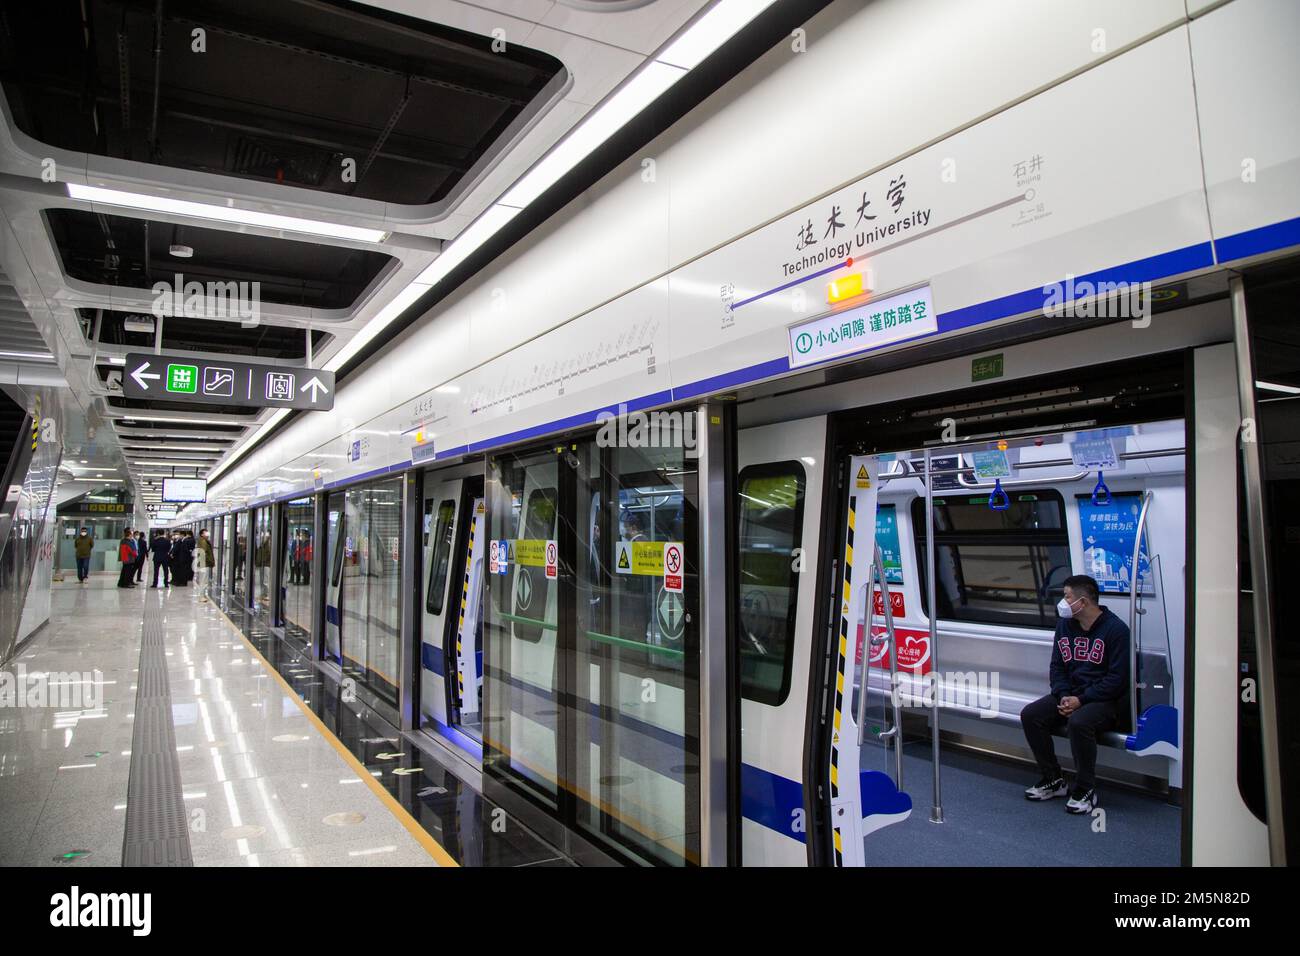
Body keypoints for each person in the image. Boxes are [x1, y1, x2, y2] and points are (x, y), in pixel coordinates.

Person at [1020, 574, 1130, 815]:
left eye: (1067, 596)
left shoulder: (1116, 630)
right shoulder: (1064, 626)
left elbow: (1117, 680)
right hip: (1070, 694)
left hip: (1104, 700)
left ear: (1083, 601)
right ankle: (1053, 778)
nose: (1063, 601)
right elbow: (1057, 666)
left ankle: (1086, 788)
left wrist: (1081, 700)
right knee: (1031, 715)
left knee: (1079, 722)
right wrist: (1063, 695)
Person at [196, 528, 214, 601]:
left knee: (203, 580)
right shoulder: (203, 541)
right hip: (204, 563)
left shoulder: (203, 541)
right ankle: (201, 596)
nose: (207, 534)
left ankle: (202, 595)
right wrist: (210, 561)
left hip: (203, 563)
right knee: (203, 581)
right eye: (205, 533)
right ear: (202, 534)